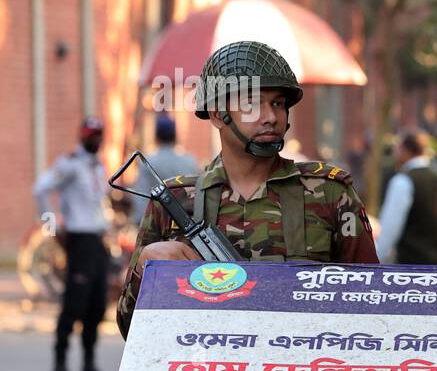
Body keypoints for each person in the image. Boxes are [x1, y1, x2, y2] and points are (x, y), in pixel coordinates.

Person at [117, 40, 379, 336]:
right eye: (253, 103)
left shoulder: (331, 194)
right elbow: (131, 330)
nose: (271, 116)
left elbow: (373, 306)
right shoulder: (174, 202)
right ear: (217, 114)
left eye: (278, 103)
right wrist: (145, 269)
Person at [33, 120, 114, 371]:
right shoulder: (68, 164)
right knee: (74, 305)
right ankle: (59, 369)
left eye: (99, 135)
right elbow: (41, 189)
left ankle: (88, 366)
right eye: (92, 135)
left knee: (97, 306)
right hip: (79, 240)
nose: (96, 140)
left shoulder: (98, 165)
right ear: (82, 136)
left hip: (98, 241)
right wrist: (52, 226)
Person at [375, 132, 437, 265]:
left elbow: (390, 228)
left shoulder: (403, 181)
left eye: (397, 149)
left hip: (409, 267)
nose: (395, 155)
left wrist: (377, 261)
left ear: (406, 151)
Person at [131, 114, 199, 223]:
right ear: (175, 136)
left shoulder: (147, 161)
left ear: (156, 136)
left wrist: (140, 223)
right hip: (186, 225)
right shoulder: (189, 161)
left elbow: (141, 197)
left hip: (156, 224)